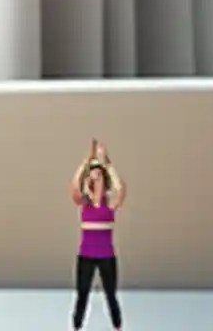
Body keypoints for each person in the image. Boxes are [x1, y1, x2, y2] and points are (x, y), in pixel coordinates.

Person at [69, 139, 126, 331]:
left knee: (111, 295)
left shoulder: (109, 204)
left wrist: (107, 164)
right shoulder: (84, 204)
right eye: (93, 174)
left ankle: (118, 327)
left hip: (106, 257)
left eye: (99, 174)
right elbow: (74, 186)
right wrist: (86, 161)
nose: (96, 175)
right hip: (85, 257)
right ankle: (76, 327)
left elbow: (120, 189)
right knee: (82, 295)